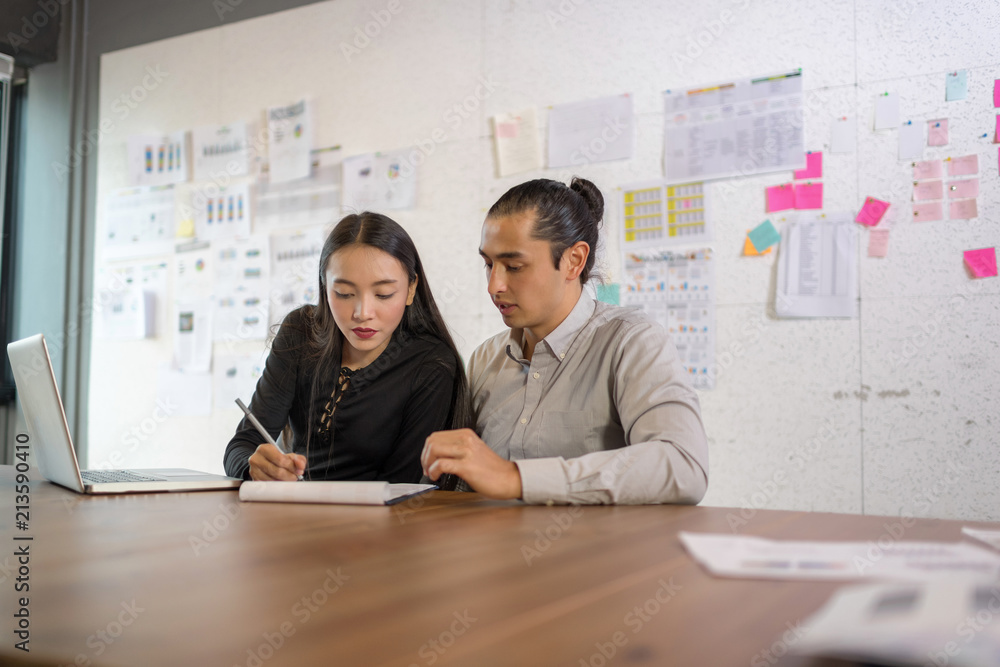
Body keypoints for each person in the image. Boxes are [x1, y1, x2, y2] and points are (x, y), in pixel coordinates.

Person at [421, 178, 708, 505]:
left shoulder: (630, 341)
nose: (494, 285)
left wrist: (516, 478)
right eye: (489, 264)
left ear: (574, 260)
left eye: (514, 266)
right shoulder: (486, 358)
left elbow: (684, 466)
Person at [224, 212, 471, 484]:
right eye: (343, 293)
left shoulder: (431, 365)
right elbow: (242, 445)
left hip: (374, 523)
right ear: (324, 287)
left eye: (384, 294)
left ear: (411, 289)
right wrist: (254, 466)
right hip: (294, 515)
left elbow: (401, 489)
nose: (363, 313)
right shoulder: (300, 333)